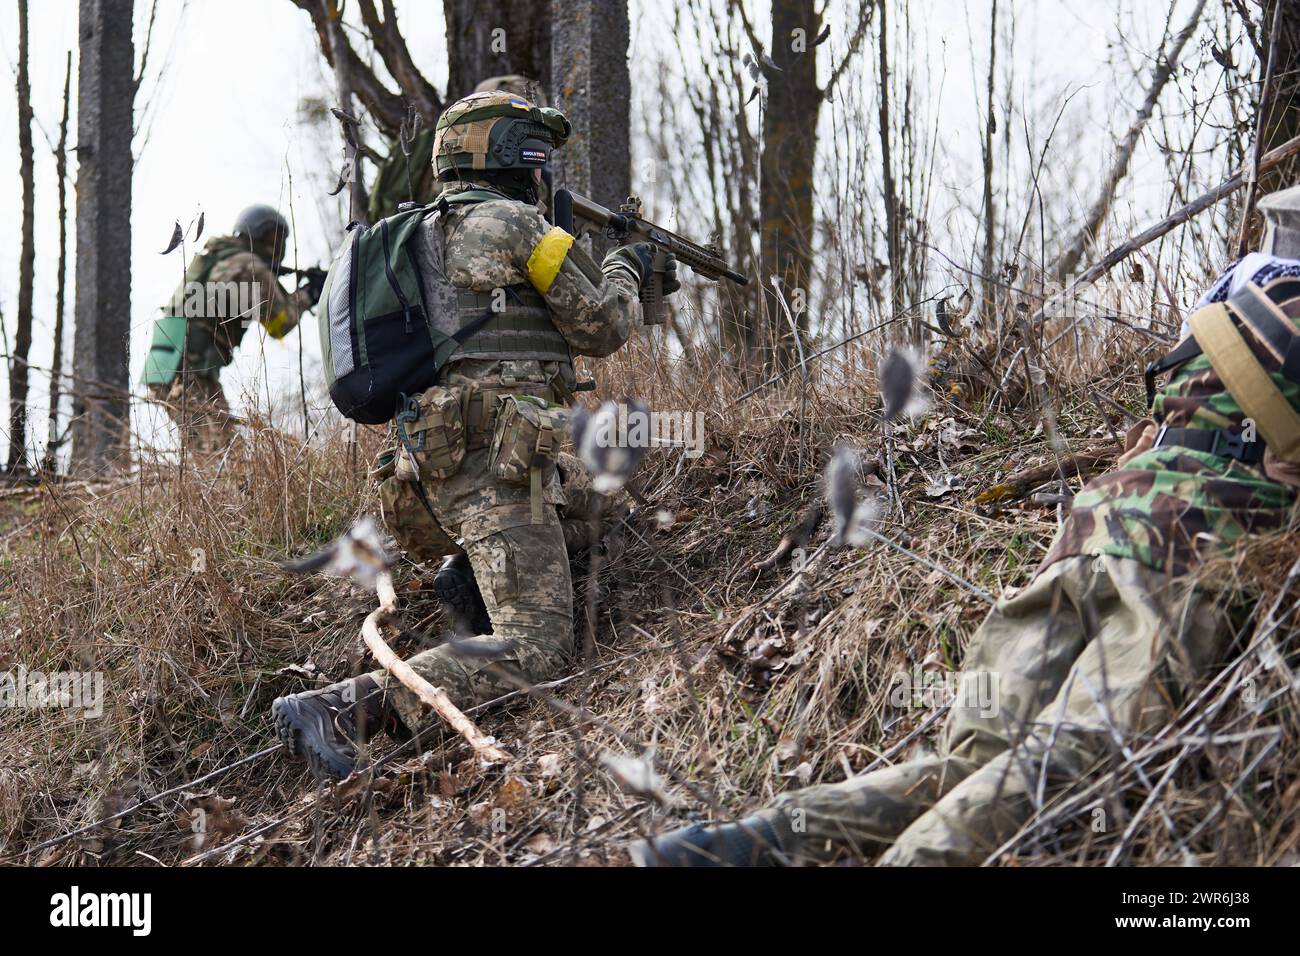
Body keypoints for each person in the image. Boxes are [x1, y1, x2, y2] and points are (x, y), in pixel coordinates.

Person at [633, 185, 1300, 867]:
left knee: (972, 763)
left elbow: (1161, 421)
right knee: (1067, 765)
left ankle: (747, 843)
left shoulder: (1232, 286)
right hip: (1196, 542)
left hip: (1096, 522)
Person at [272, 89, 678, 780]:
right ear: (512, 153)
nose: (544, 165)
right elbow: (603, 327)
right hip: (497, 467)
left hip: (433, 470)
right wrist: (626, 267)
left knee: (611, 510)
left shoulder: (419, 231)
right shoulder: (520, 228)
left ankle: (474, 576)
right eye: (536, 151)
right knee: (538, 643)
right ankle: (343, 709)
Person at [141, 206, 321, 453]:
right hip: (188, 370)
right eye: (275, 238)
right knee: (220, 452)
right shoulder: (250, 267)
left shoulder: (220, 255)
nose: (277, 246)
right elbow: (279, 323)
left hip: (168, 364)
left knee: (220, 449)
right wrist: (309, 294)